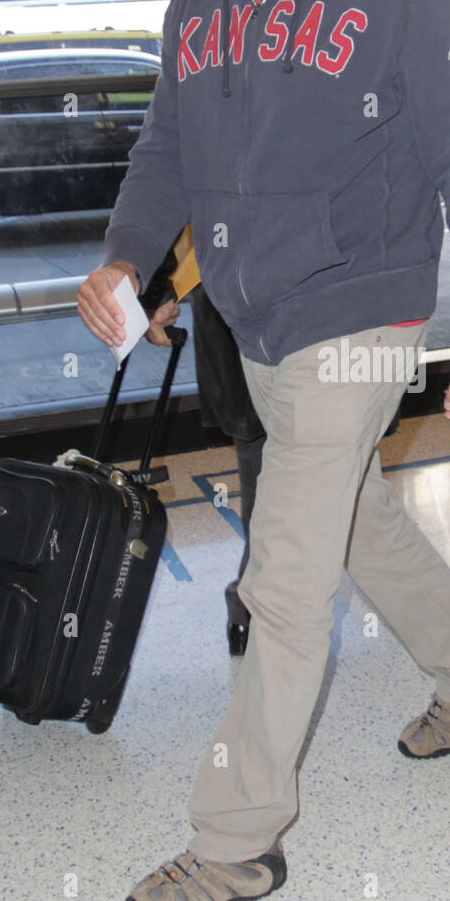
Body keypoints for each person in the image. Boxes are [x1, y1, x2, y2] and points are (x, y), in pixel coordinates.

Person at [77, 0, 450, 901]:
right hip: (257, 318)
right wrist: (133, 260)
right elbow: (169, 153)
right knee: (353, 519)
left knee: (283, 575)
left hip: (363, 315)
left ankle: (232, 845)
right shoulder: (197, 7)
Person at [141, 237, 265, 656]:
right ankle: (256, 601)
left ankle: (255, 601)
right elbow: (170, 189)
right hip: (245, 299)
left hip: (303, 296)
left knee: (275, 471)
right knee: (265, 468)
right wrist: (158, 291)